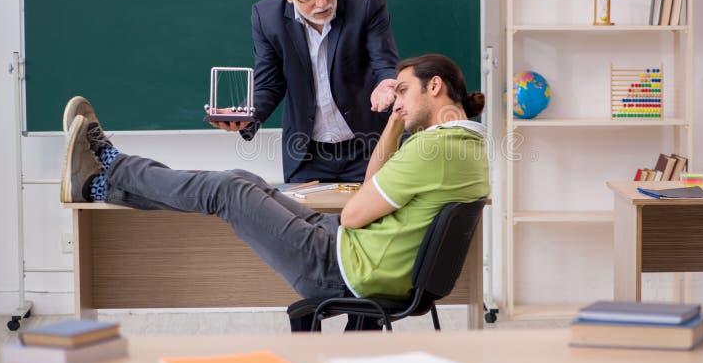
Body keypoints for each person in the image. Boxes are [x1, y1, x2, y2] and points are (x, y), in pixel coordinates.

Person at [60, 54, 489, 330]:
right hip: (356, 252)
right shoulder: (465, 144)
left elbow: (357, 211)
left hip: (340, 266)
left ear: (434, 87)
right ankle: (98, 182)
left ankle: (113, 165)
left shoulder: (434, 149)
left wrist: (398, 127)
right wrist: (395, 122)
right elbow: (371, 186)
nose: (396, 100)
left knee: (228, 189)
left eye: (402, 91)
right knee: (243, 179)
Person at [209, 0, 401, 184]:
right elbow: (269, 84)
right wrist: (245, 115)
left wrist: (387, 84)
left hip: (369, 146)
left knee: (373, 220)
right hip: (306, 154)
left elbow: (385, 63)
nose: (322, 3)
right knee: (306, 221)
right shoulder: (267, 17)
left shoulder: (366, 2)